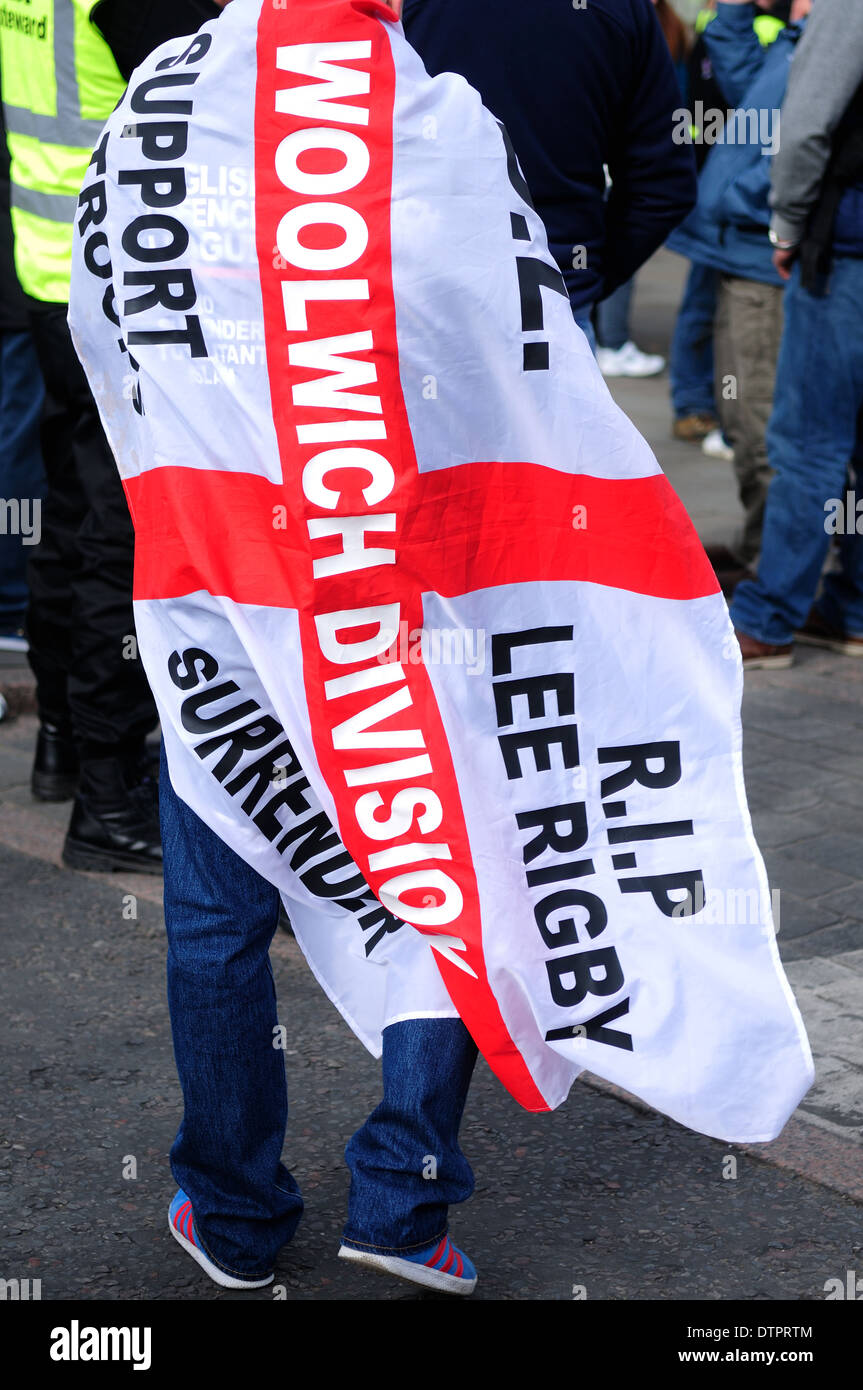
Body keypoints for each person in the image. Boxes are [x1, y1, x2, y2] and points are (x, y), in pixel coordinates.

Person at [0, 0, 220, 840]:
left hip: (48, 266)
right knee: (115, 532)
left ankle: (60, 740)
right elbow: (203, 111)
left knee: (67, 512)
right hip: (118, 287)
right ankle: (108, 792)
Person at [402, 0, 697, 351]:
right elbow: (664, 186)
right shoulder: (621, 10)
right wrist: (580, 279)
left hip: (418, 304)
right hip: (549, 310)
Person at [730, 0, 863, 667]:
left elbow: (806, 120)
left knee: (809, 442)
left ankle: (767, 617)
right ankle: (852, 606)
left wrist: (786, 222)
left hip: (848, 254)